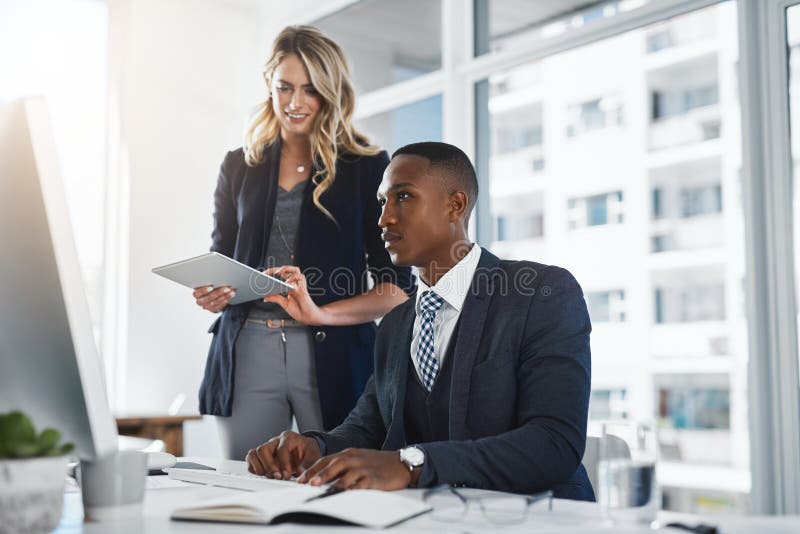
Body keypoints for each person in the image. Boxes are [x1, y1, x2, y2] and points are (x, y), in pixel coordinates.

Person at [245, 142, 595, 500]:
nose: (383, 218)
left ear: (454, 205)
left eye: (404, 197)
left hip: (539, 517)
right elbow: (366, 429)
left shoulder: (542, 294)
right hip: (429, 518)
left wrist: (413, 463)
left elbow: (555, 442)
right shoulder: (396, 323)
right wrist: (312, 447)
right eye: (382, 202)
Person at [193, 26, 414, 461]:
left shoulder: (368, 168)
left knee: (340, 484)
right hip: (247, 348)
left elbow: (396, 290)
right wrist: (213, 292)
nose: (295, 103)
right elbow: (220, 258)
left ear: (332, 94)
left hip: (337, 354)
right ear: (269, 86)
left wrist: (320, 313)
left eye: (311, 90)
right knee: (250, 481)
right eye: (285, 88)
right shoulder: (238, 165)